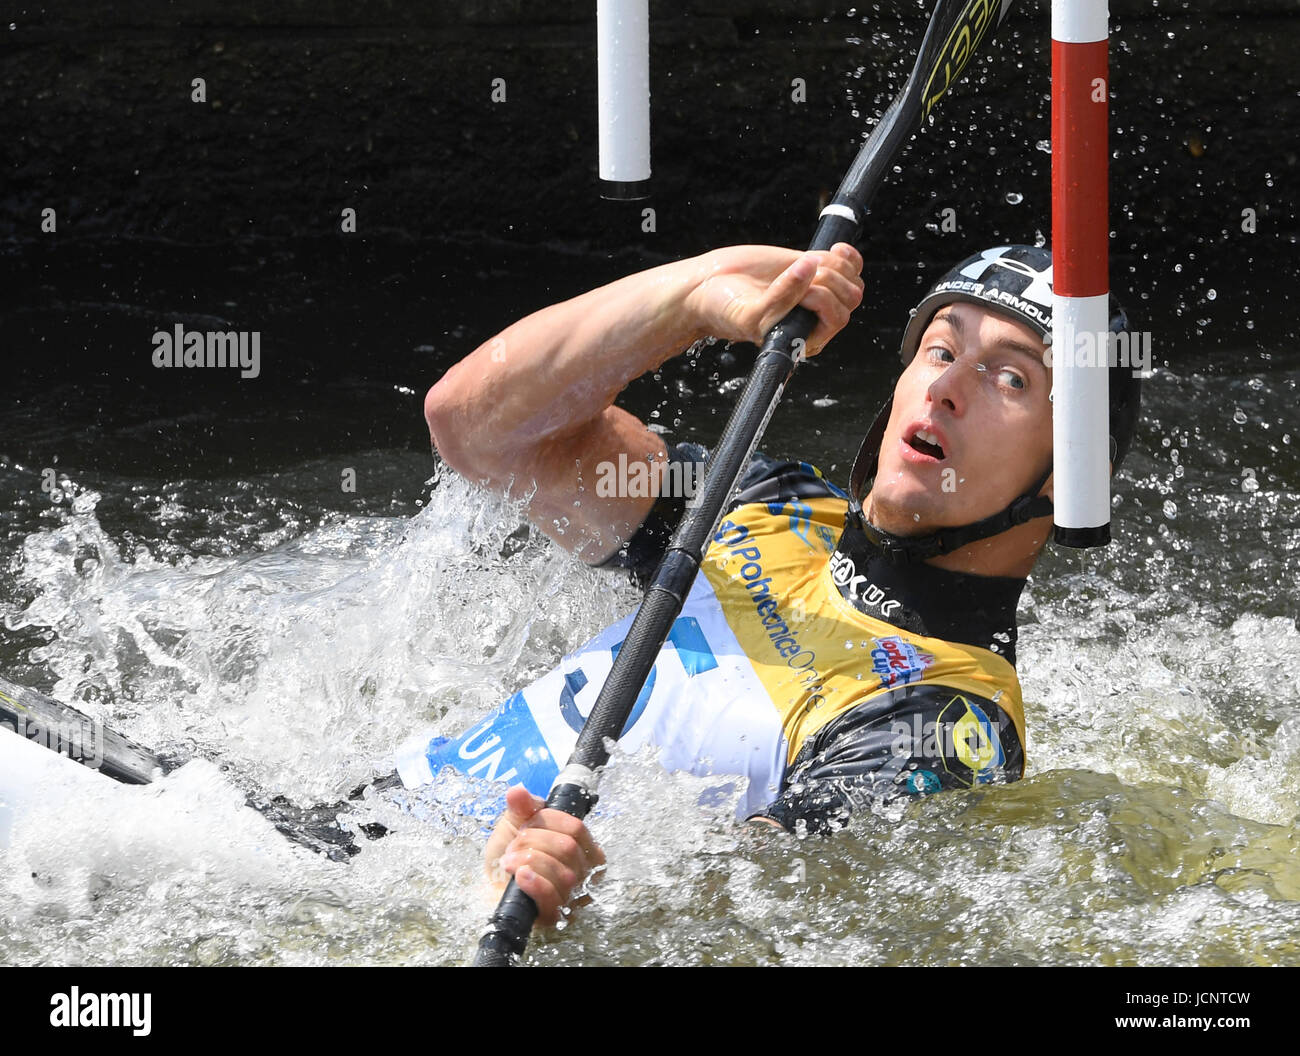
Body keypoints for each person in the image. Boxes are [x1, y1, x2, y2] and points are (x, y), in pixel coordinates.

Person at [422, 242, 1140, 926]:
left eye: (1010, 378)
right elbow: (480, 429)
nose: (947, 387)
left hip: (442, 917)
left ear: (1072, 482)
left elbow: (741, 910)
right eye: (942, 350)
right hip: (338, 837)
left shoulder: (943, 724)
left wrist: (574, 901)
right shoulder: (765, 501)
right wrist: (696, 295)